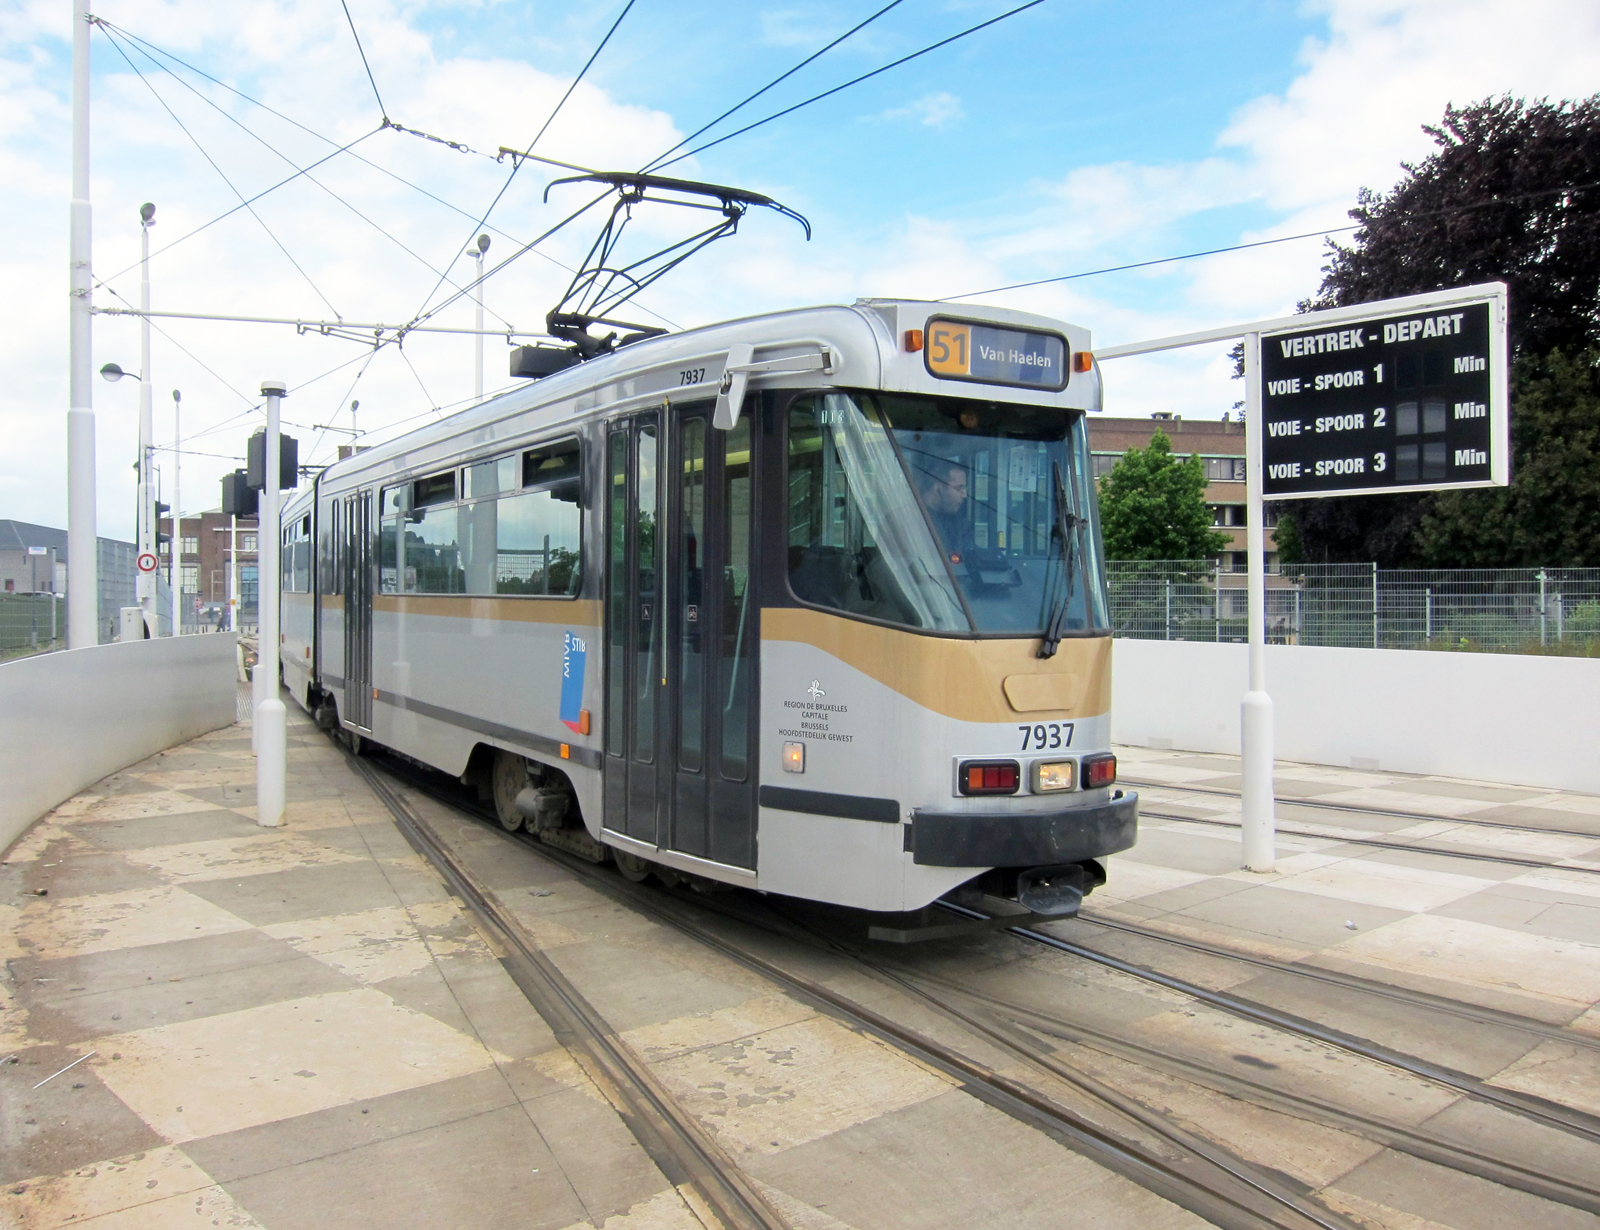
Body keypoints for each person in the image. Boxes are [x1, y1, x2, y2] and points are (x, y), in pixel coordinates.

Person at [920, 461, 973, 561]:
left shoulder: (961, 525)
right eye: (959, 488)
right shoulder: (906, 519)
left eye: (965, 489)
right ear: (938, 488)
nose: (964, 495)